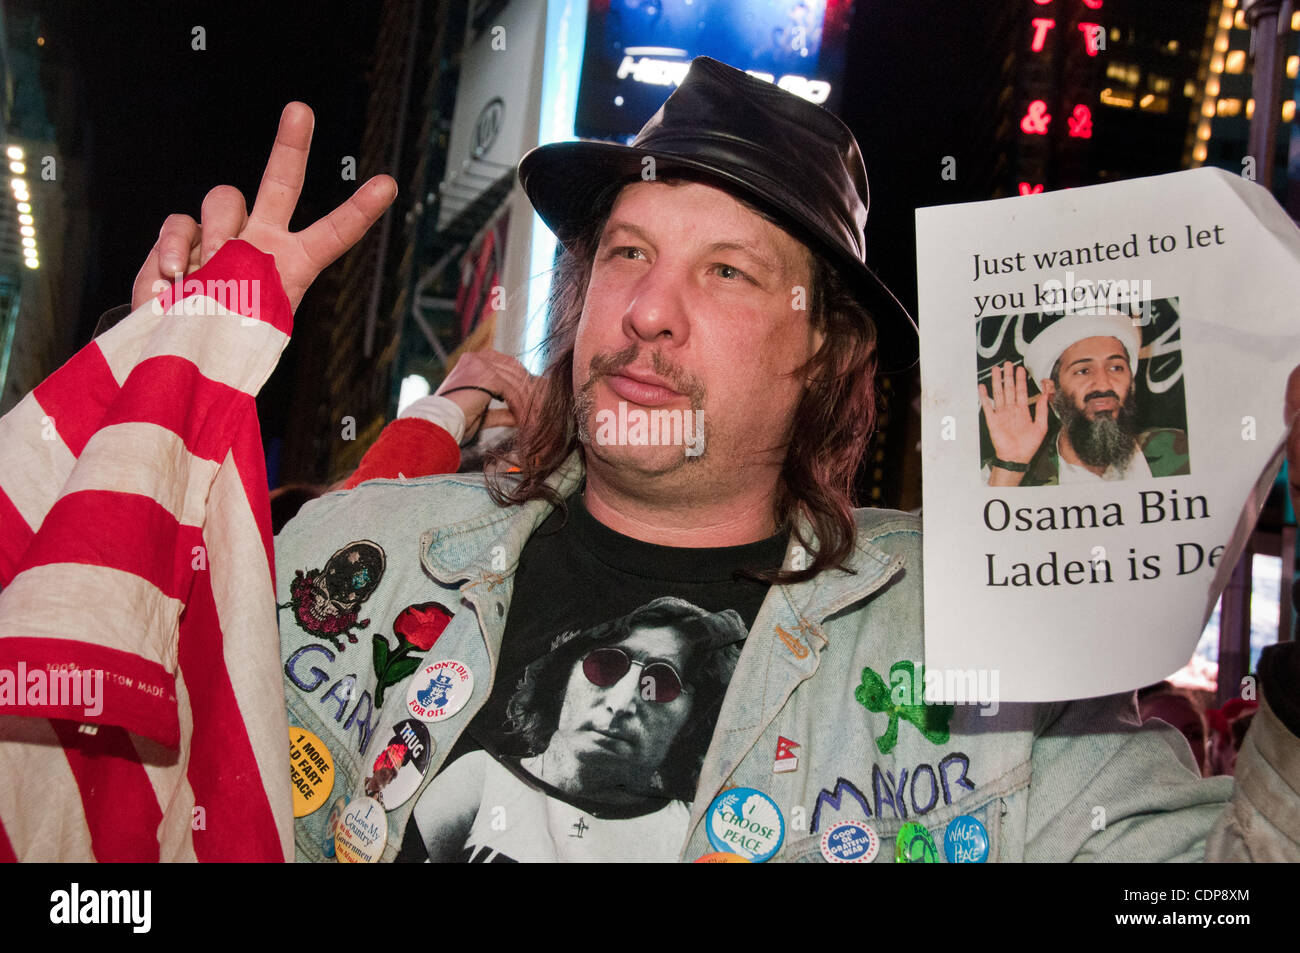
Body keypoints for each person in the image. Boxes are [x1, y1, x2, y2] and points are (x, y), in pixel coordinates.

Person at [82, 56, 1300, 862]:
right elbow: (86, 820)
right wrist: (141, 445)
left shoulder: (986, 643)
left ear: (824, 349)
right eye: (624, 253)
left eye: (724, 270)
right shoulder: (359, 555)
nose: (648, 311)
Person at [399, 597, 744, 862]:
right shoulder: (480, 781)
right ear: (562, 675)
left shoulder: (688, 836)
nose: (622, 703)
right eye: (606, 665)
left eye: (662, 682)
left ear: (692, 720)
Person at [979, 312, 1190, 487]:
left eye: (1116, 367)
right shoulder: (1001, 472)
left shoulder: (1178, 449)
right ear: (1051, 390)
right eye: (1083, 371)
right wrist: (1012, 464)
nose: (1103, 384)